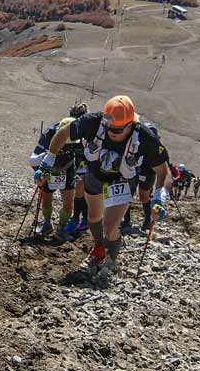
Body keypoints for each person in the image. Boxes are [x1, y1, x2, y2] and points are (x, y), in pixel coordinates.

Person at [37, 95, 169, 283]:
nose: (113, 132)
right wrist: (47, 162)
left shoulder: (145, 137)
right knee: (93, 219)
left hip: (122, 180)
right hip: (96, 175)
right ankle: (99, 247)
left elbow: (163, 172)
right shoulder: (93, 122)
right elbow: (63, 132)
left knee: (110, 225)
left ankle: (111, 256)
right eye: (109, 127)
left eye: (119, 129)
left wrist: (159, 197)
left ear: (131, 124)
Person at [28, 104, 88, 240]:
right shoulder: (52, 131)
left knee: (53, 199)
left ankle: (54, 225)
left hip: (66, 167)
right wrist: (42, 164)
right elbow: (33, 158)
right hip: (52, 166)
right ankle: (54, 226)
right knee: (66, 202)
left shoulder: (83, 134)